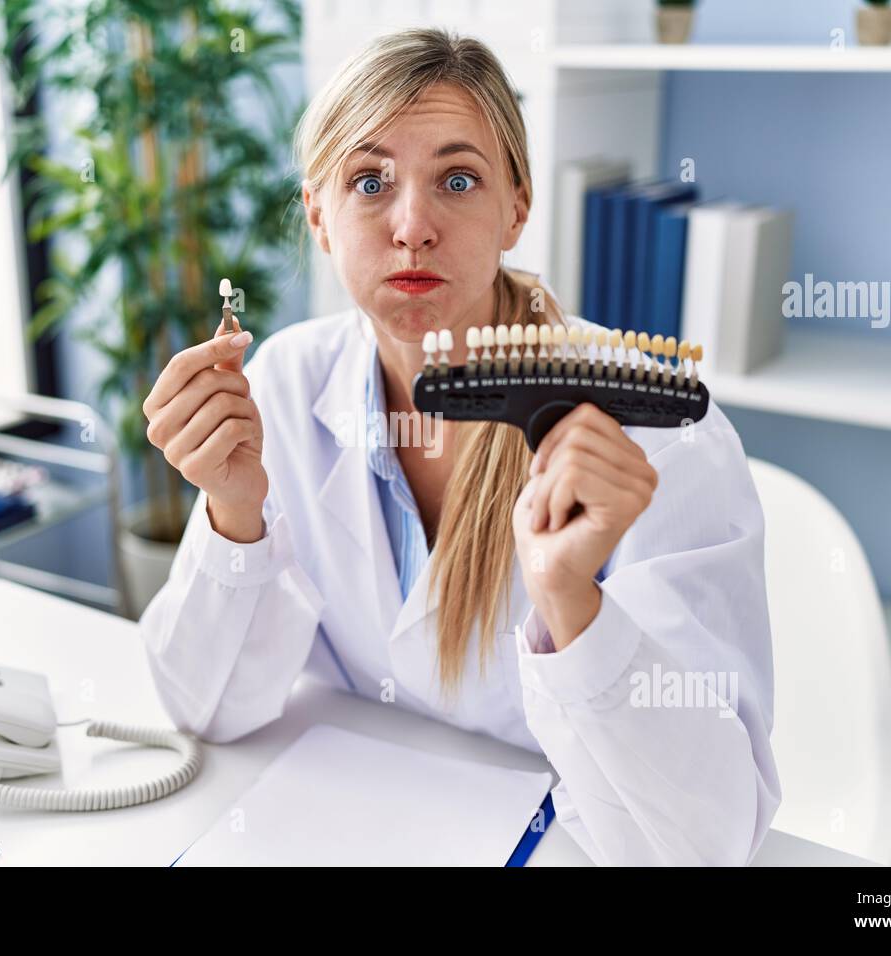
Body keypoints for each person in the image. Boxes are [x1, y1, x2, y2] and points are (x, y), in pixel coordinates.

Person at [139, 27, 780, 865]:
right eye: (369, 181)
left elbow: (710, 836)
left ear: (516, 205)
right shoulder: (286, 389)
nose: (412, 227)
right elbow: (208, 714)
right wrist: (234, 512)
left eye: (458, 179)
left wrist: (569, 600)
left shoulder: (657, 433)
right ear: (319, 218)